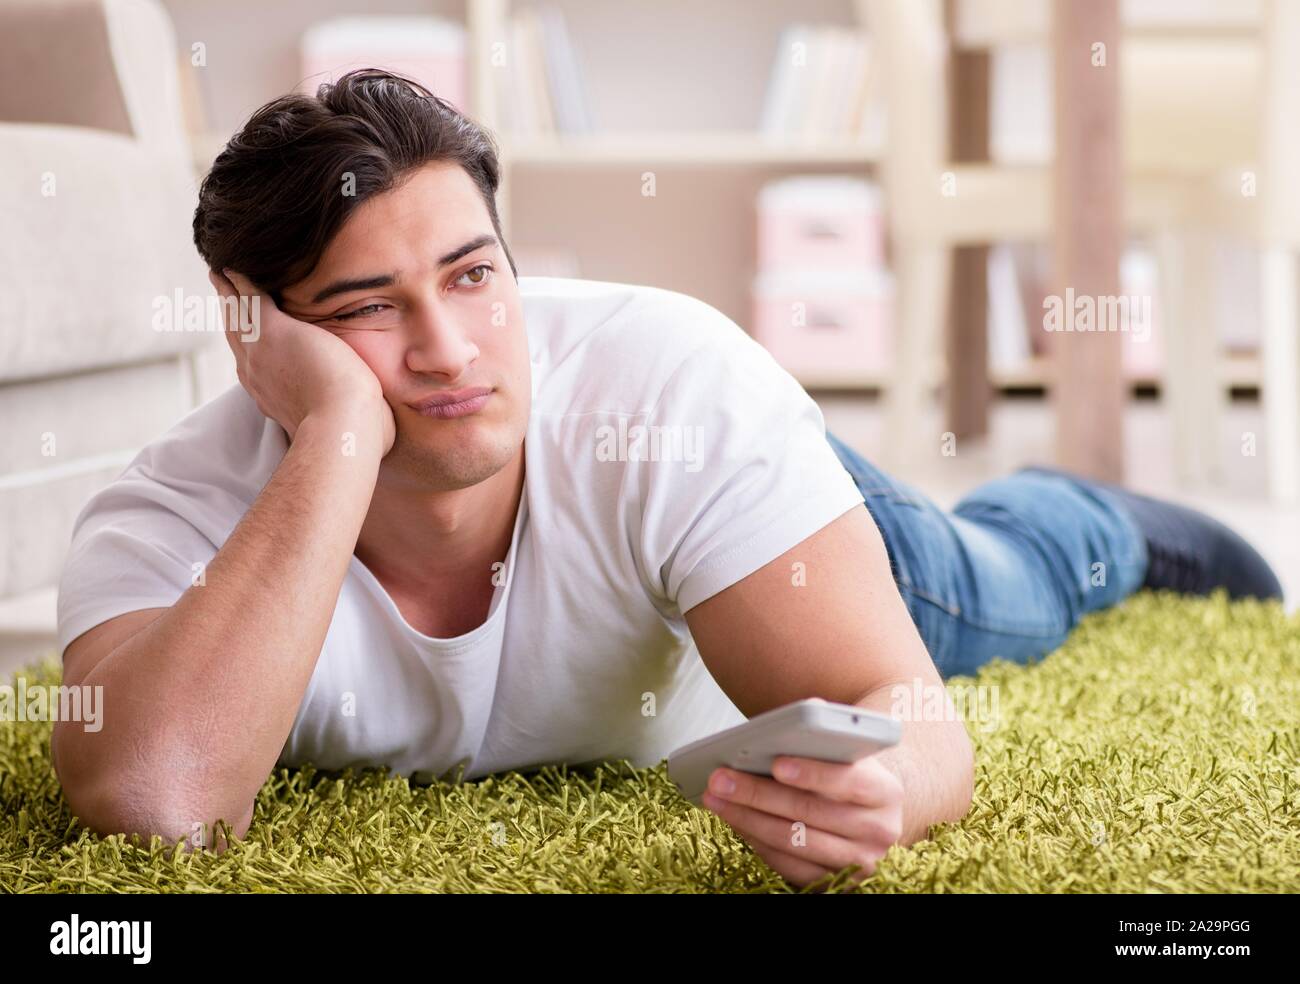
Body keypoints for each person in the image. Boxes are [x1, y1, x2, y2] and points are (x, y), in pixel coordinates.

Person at [51, 70, 1282, 890]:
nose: (448, 351)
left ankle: (1112, 522)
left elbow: (902, 708)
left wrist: (891, 795)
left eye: (474, 276)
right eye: (368, 309)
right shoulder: (169, 515)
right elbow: (159, 801)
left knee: (995, 584)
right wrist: (333, 437)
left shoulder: (670, 389)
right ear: (257, 332)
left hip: (767, 519)